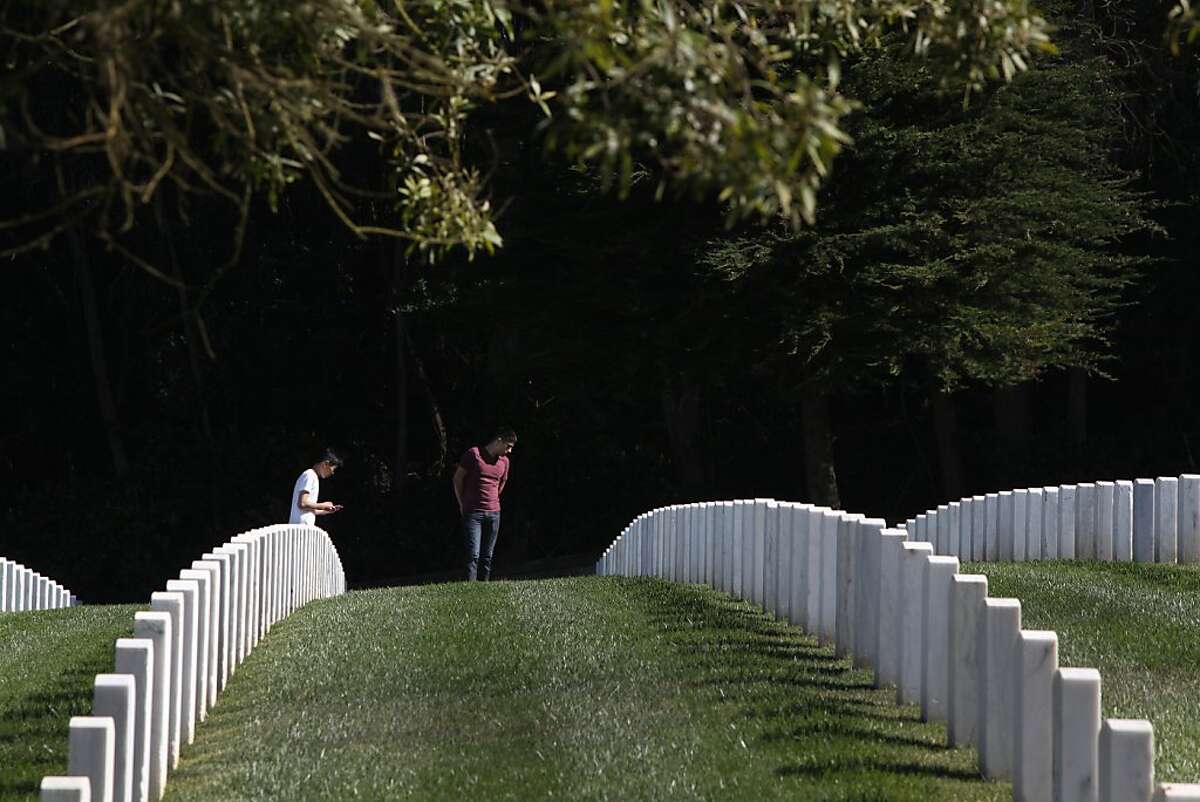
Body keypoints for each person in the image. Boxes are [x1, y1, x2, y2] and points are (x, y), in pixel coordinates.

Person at [453, 428, 516, 581]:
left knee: (487, 556)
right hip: (473, 512)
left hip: (494, 513)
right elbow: (457, 479)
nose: (509, 451)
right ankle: (471, 589)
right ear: (499, 440)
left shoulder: (504, 462)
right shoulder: (474, 454)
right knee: (473, 555)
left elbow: (502, 482)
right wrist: (462, 503)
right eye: (508, 446)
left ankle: (484, 589)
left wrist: (493, 499)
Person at [289, 448, 344, 525]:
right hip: (299, 529)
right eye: (332, 469)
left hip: (302, 529)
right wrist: (323, 505)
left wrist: (326, 510)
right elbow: (302, 503)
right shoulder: (310, 475)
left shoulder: (313, 477)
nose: (332, 473)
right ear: (326, 464)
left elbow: (306, 509)